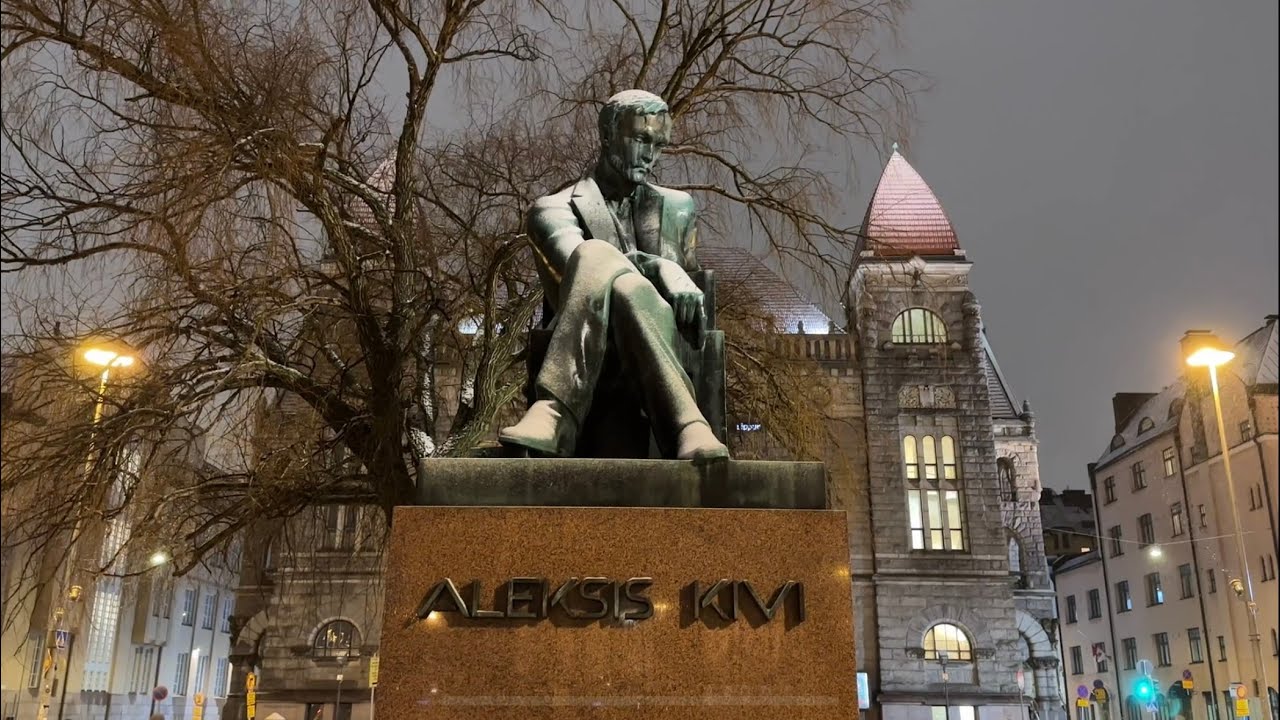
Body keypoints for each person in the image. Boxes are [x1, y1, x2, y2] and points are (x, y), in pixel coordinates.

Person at [499, 90, 729, 461]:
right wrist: (660, 266)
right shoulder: (552, 210)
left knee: (626, 286)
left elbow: (686, 307)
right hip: (593, 341)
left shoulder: (678, 207)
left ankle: (556, 409)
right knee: (596, 257)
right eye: (640, 139)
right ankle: (687, 424)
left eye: (659, 144)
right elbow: (580, 266)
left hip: (661, 332)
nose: (650, 154)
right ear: (607, 135)